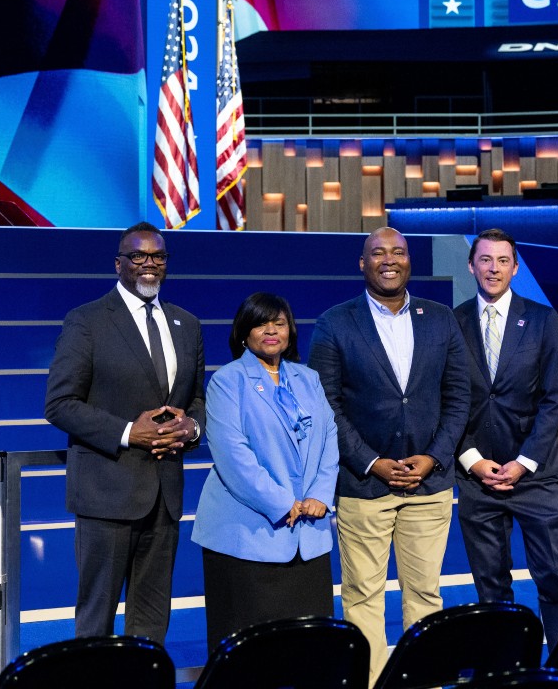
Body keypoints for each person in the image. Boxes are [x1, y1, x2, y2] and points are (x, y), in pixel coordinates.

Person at [308, 227, 470, 683]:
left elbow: (459, 398)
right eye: (378, 253)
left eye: (398, 252)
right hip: (364, 485)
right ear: (363, 264)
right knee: (362, 597)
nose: (389, 260)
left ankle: (423, 680)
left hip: (428, 485)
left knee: (426, 595)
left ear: (409, 261)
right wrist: (371, 461)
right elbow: (325, 404)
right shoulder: (335, 322)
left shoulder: (440, 319)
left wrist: (434, 457)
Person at [44, 221, 205, 643]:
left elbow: (197, 401)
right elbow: (59, 403)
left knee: (151, 620)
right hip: (106, 495)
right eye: (139, 256)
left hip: (165, 497)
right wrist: (130, 432)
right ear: (119, 264)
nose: (149, 263)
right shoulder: (87, 321)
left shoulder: (187, 324)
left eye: (158, 256)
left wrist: (191, 428)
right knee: (95, 623)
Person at [192, 292, 338, 652]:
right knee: (251, 656)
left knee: (308, 650)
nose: (271, 331)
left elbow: (329, 437)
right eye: (261, 323)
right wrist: (281, 502)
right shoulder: (228, 381)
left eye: (279, 323)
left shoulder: (308, 378)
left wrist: (320, 493)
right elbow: (233, 454)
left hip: (308, 533)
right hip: (247, 536)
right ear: (244, 333)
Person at [453, 228, 558, 645]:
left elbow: (554, 398)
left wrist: (524, 463)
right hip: (478, 478)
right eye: (485, 260)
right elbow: (446, 399)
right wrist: (471, 460)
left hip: (536, 475)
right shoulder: (452, 322)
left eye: (503, 261)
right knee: (491, 586)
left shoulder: (541, 319)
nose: (494, 269)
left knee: (554, 577)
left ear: (515, 268)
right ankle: (505, 666)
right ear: (471, 265)